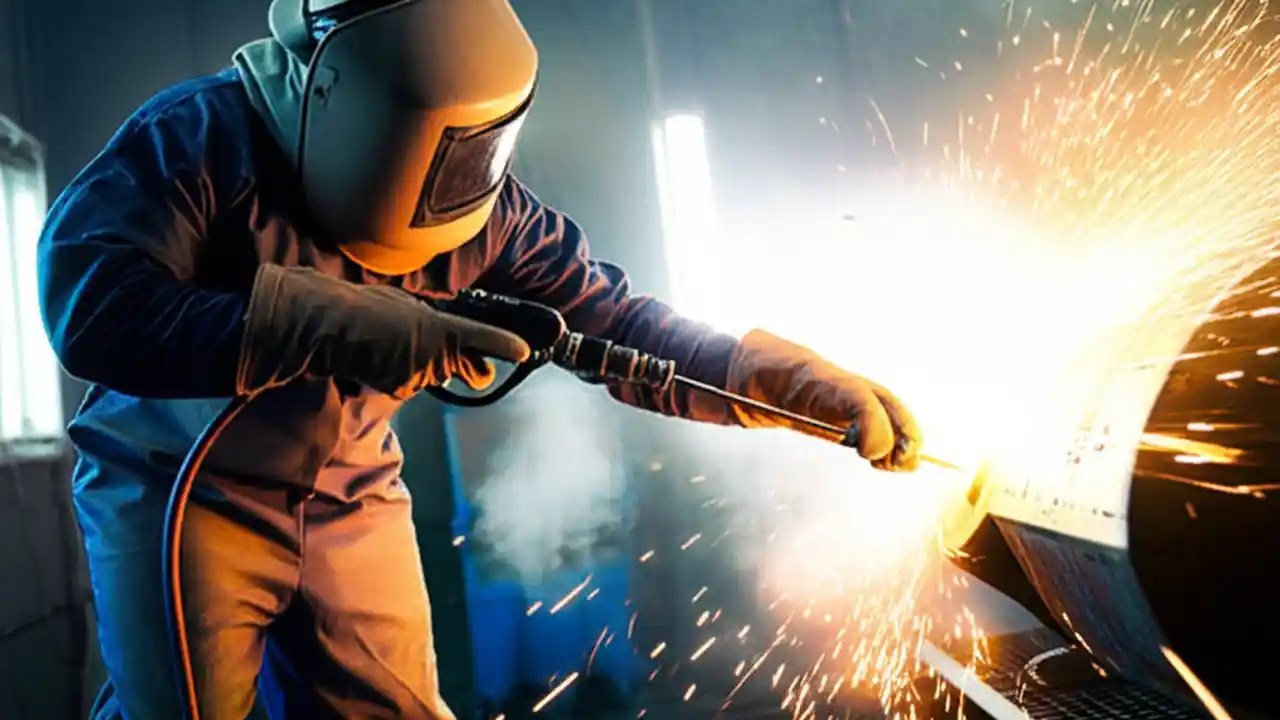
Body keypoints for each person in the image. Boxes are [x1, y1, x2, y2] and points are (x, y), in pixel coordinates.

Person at [36, 0, 923, 718]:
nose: (452, 198)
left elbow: (625, 330)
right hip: (183, 486)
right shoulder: (198, 140)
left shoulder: (489, 217)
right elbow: (91, 307)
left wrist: (785, 387)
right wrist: (332, 321)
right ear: (336, 94)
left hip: (349, 483)